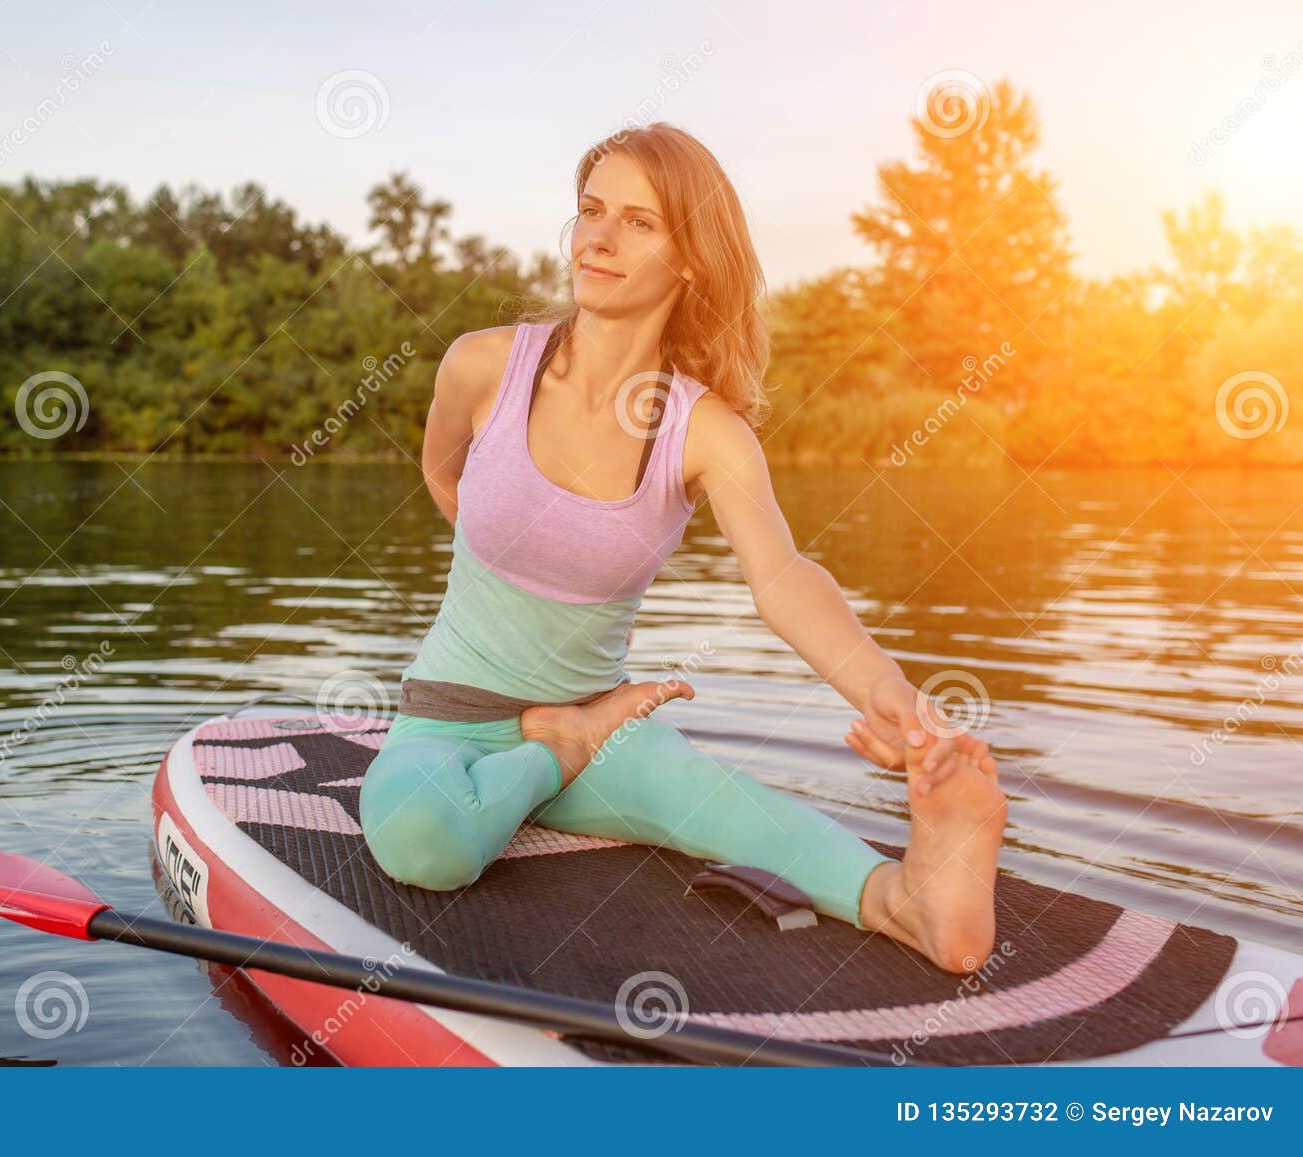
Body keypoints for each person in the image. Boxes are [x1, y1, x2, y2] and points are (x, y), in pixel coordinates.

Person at [359, 122, 1006, 974]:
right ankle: (554, 747)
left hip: (610, 738)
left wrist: (890, 692)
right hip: (449, 720)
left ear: (692, 257)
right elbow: (444, 478)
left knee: (737, 812)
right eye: (591, 210)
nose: (599, 235)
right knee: (423, 839)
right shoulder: (481, 367)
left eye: (639, 221)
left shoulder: (707, 433)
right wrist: (523, 562)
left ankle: (916, 899)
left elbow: (781, 578)